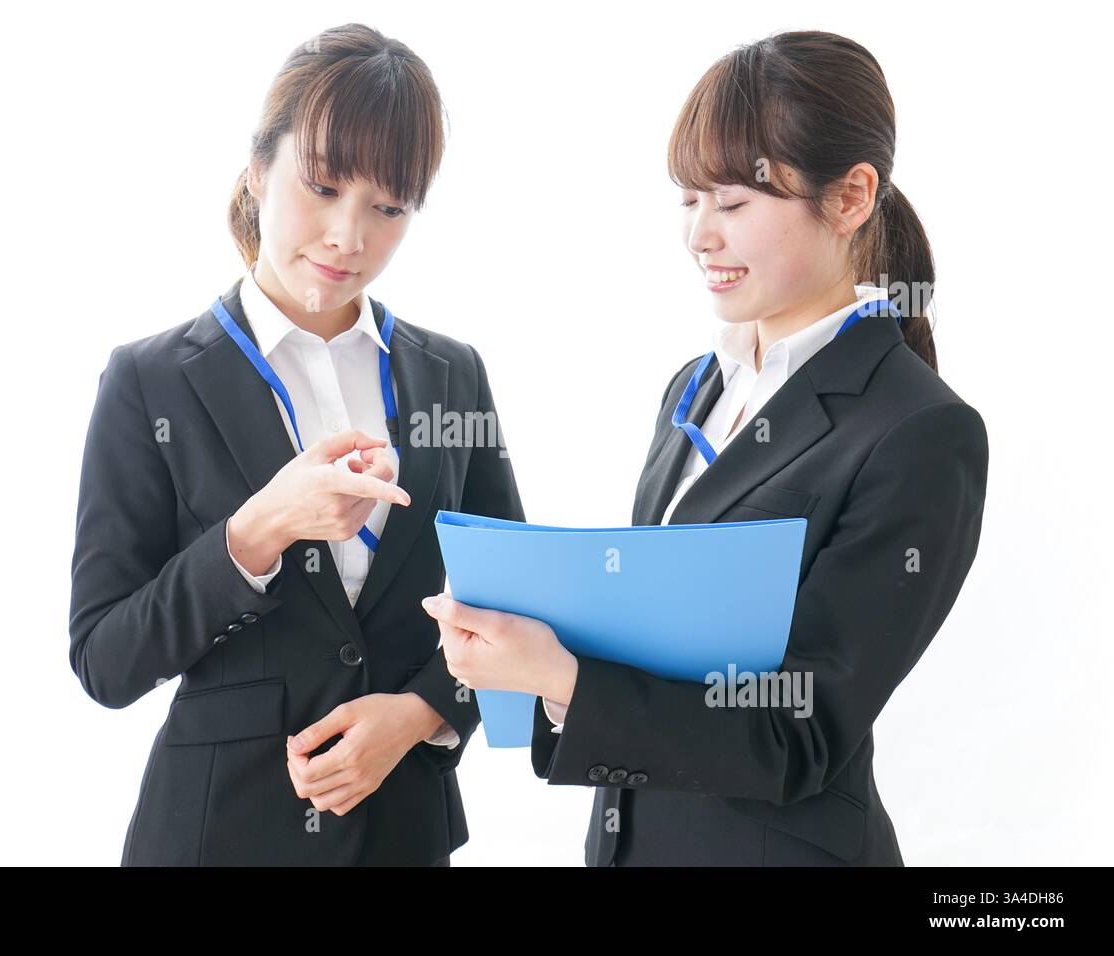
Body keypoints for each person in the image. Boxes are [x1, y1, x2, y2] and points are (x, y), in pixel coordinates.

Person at [421, 30, 988, 866]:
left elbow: (799, 730)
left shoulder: (921, 433)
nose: (700, 237)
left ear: (851, 197)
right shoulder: (697, 384)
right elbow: (660, 639)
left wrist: (563, 677)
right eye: (690, 200)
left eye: (734, 204)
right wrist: (537, 654)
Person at [69, 23, 523, 866]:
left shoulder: (450, 376)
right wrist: (256, 534)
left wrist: (424, 714)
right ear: (257, 171)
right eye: (321, 188)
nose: (350, 237)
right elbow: (104, 658)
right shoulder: (150, 380)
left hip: (402, 829)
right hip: (216, 833)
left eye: (388, 208)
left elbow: (519, 602)